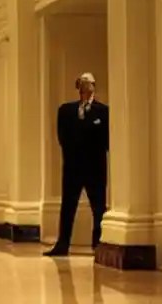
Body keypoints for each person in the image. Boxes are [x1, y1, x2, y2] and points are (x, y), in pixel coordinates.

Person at [44, 72, 108, 257]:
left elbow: (106, 140)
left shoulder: (103, 112)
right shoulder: (66, 110)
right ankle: (62, 243)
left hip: (95, 167)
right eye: (82, 83)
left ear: (94, 86)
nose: (85, 87)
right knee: (68, 206)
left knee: (98, 206)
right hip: (73, 166)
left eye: (89, 83)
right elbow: (62, 137)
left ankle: (97, 243)